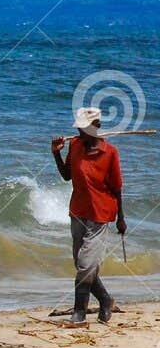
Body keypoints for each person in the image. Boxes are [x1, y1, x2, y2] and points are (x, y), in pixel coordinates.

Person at [52, 107, 126, 324]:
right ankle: (105, 299)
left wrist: (121, 218)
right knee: (82, 264)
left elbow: (117, 188)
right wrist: (56, 153)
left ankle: (79, 312)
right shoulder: (74, 145)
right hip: (78, 211)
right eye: (79, 128)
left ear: (97, 127)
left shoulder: (110, 153)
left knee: (86, 264)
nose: (81, 133)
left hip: (100, 213)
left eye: (85, 128)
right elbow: (67, 176)